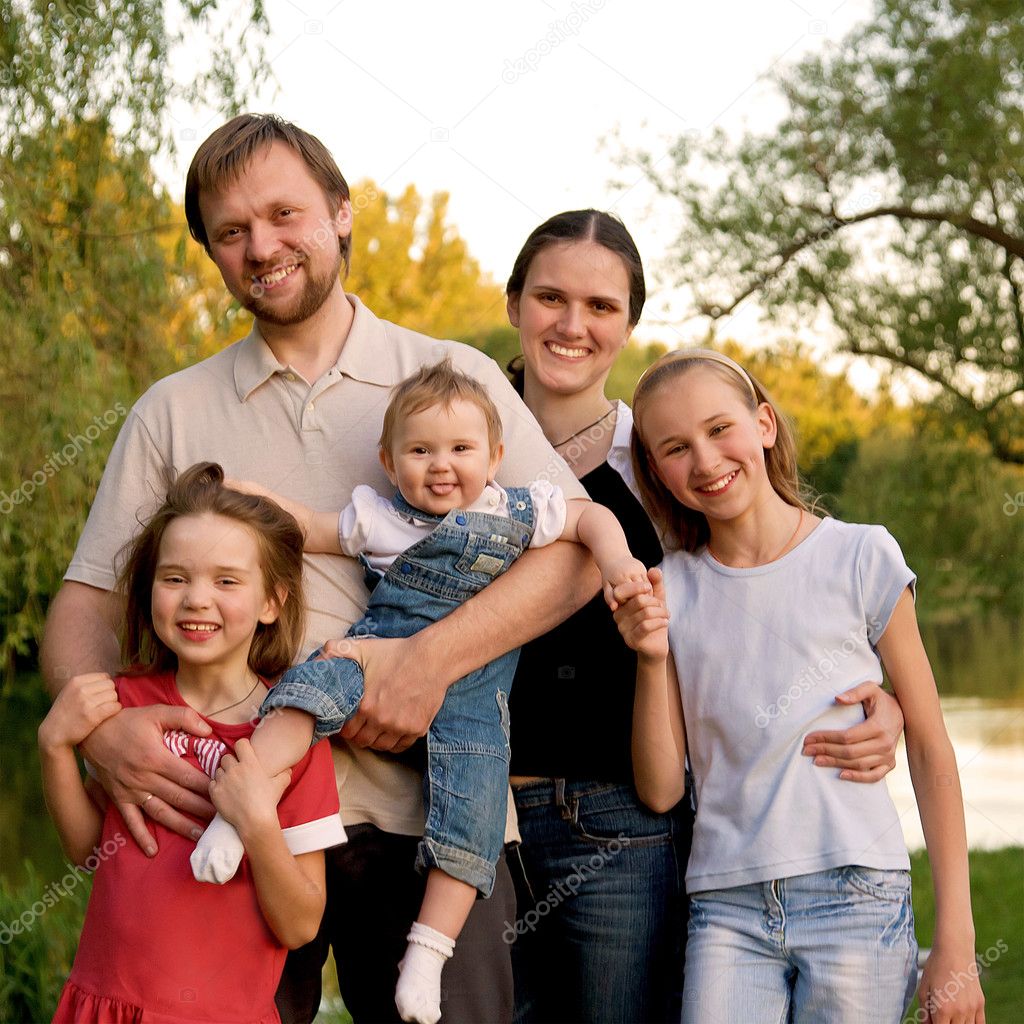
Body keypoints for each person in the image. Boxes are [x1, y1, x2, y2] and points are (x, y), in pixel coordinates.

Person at [39, 114, 594, 1024]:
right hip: (231, 812)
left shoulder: (448, 377)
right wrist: (98, 730)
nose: (262, 246)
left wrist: (430, 664)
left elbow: (571, 550)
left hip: (430, 816)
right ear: (213, 252)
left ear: (340, 214)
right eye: (231, 231)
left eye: (284, 214)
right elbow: (84, 607)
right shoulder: (169, 411)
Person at [501, 210, 908, 1023]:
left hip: (625, 822)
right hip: (484, 813)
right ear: (514, 303)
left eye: (602, 306)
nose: (573, 325)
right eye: (550, 297)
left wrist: (883, 697)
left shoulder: (656, 468)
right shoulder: (459, 441)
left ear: (629, 324)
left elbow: (775, 585)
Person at [190, 360, 649, 1024]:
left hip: (473, 693)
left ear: (495, 456)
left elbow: (593, 520)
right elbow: (302, 526)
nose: (441, 465)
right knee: (305, 692)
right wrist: (240, 492)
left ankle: (427, 957)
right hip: (376, 658)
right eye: (420, 450)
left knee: (475, 819)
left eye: (461, 450)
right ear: (389, 459)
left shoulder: (516, 509)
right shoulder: (377, 517)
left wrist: (620, 566)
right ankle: (239, 808)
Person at [613, 348, 985, 1023]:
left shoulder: (861, 556)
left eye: (719, 429)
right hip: (725, 907)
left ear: (764, 423)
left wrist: (955, 937)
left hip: (855, 894)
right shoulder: (673, 589)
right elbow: (663, 788)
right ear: (657, 472)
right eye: (676, 447)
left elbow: (931, 747)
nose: (704, 459)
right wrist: (648, 655)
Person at [41, 463, 345, 1023]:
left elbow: (301, 924)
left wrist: (255, 822)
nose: (196, 600)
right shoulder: (123, 706)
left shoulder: (290, 735)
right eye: (175, 578)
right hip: (108, 1006)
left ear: (271, 601)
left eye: (226, 581)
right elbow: (91, 851)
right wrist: (56, 748)